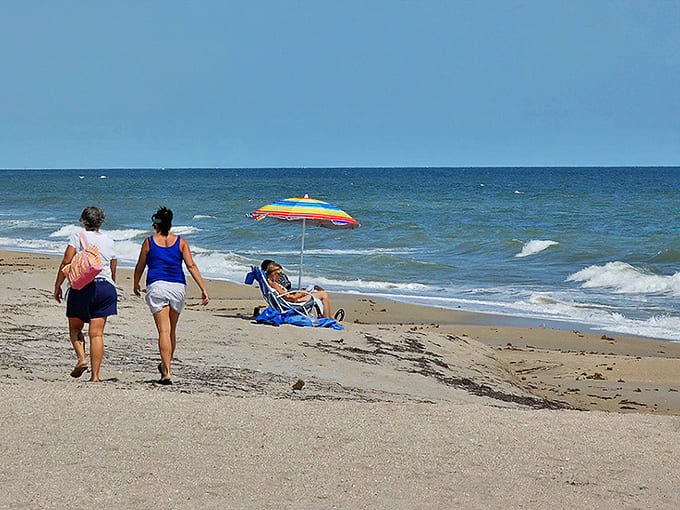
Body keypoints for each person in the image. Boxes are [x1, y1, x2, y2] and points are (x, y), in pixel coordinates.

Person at [133, 207, 209, 385]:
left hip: (157, 286)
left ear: (156, 225)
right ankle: (167, 366)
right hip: (177, 287)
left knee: (163, 331)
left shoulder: (149, 242)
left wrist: (135, 283)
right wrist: (203, 288)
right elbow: (191, 266)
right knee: (171, 330)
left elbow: (140, 265)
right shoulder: (181, 242)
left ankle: (166, 371)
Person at [53, 206, 117, 382]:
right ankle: (95, 377)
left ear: (83, 220)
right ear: (101, 221)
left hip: (82, 287)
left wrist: (58, 285)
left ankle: (82, 359)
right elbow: (112, 266)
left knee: (75, 328)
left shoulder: (77, 237)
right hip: (105, 287)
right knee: (96, 334)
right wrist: (111, 284)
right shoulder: (109, 240)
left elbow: (67, 260)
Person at [265, 262, 335, 319]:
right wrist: (300, 294)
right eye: (278, 274)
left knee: (316, 289)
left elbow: (286, 295)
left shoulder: (271, 283)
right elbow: (289, 298)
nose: (280, 276)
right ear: (273, 273)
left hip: (290, 301)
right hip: (294, 303)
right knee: (323, 294)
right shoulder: (274, 285)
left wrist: (299, 293)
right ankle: (328, 318)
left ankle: (330, 316)